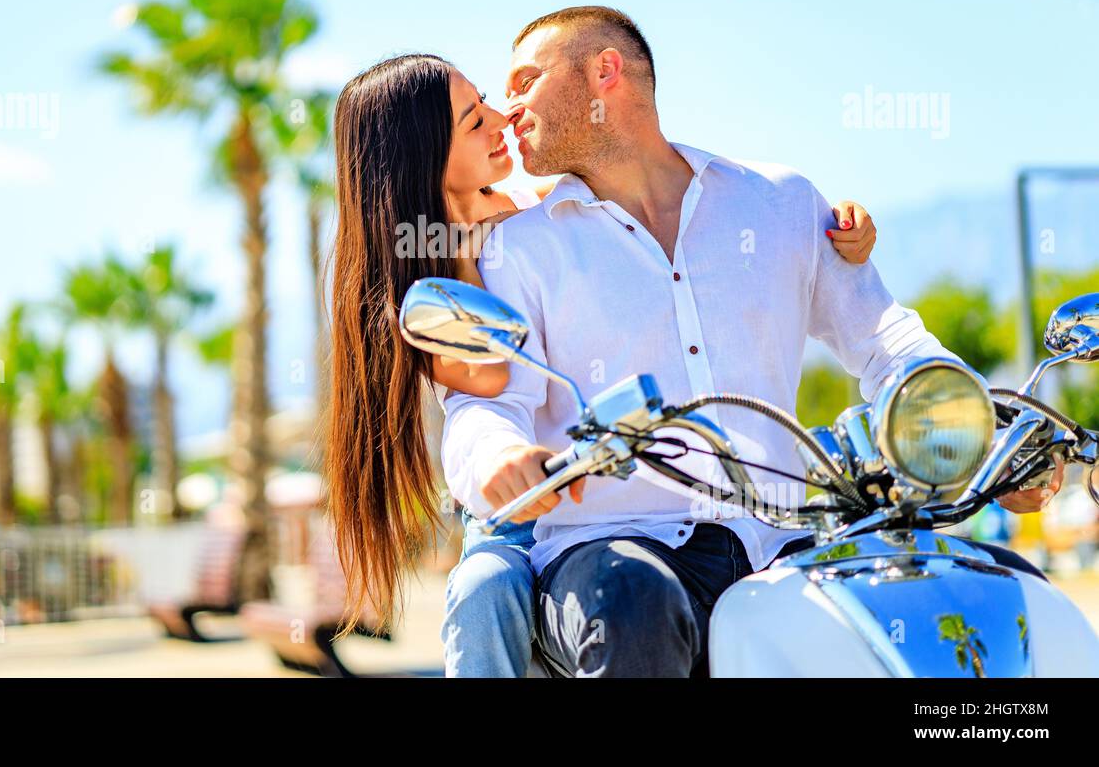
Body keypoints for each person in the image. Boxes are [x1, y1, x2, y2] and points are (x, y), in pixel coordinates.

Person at [441, 5, 1062, 677]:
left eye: (525, 81)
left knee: (977, 595)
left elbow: (888, 344)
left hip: (782, 542)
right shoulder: (519, 247)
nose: (509, 107)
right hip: (611, 545)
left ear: (604, 71)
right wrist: (499, 455)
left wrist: (987, 432)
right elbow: (488, 402)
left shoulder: (779, 202)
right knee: (633, 601)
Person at [324, 50, 881, 677]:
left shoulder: (527, 206)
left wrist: (831, 219)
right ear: (423, 159)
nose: (500, 120)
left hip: (607, 488)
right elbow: (490, 384)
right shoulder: (426, 286)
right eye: (474, 121)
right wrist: (467, 248)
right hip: (517, 503)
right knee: (485, 589)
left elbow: (622, 195)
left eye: (485, 103)